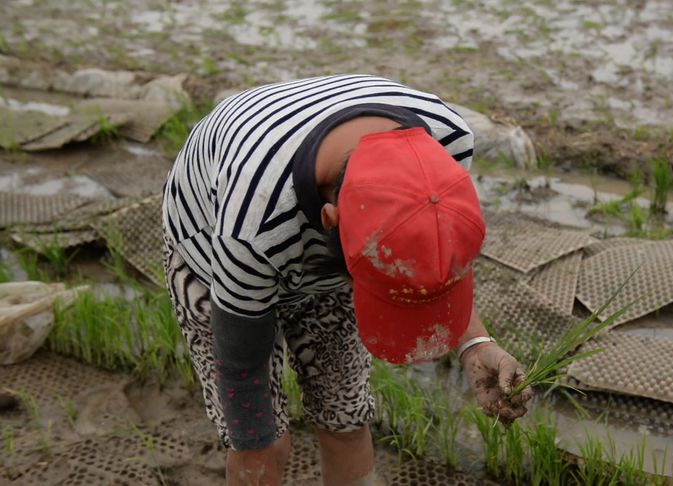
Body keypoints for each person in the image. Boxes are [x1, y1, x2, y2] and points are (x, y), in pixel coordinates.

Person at [161, 74, 533, 485]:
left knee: (346, 420)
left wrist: (475, 344)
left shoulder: (448, 138)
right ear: (330, 221)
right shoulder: (251, 223)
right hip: (212, 248)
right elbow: (240, 367)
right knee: (264, 446)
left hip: (330, 236)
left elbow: (434, 258)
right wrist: (252, 445)